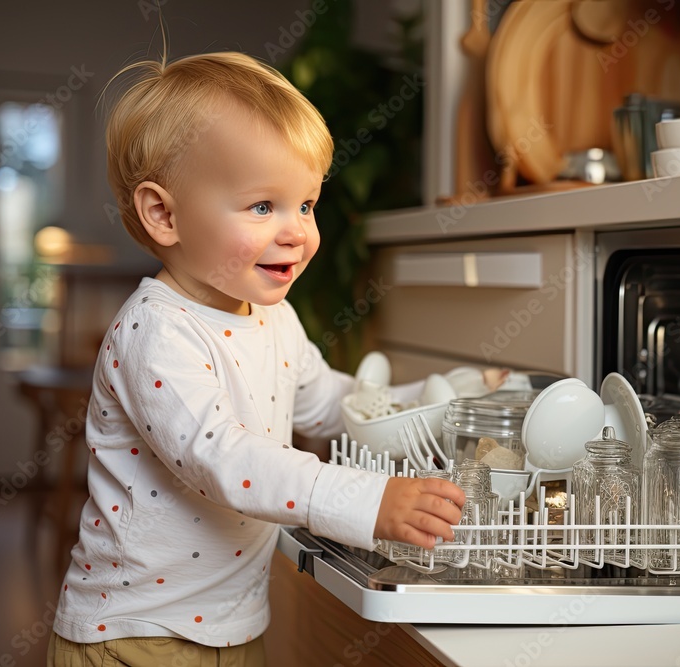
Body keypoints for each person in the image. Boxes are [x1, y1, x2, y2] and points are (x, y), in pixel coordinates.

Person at [47, 50, 466, 666]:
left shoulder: (274, 317)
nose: (297, 230)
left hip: (231, 624)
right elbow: (226, 458)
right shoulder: (156, 333)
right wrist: (367, 499)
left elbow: (330, 405)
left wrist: (444, 399)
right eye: (263, 206)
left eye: (307, 204)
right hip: (135, 634)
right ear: (164, 214)